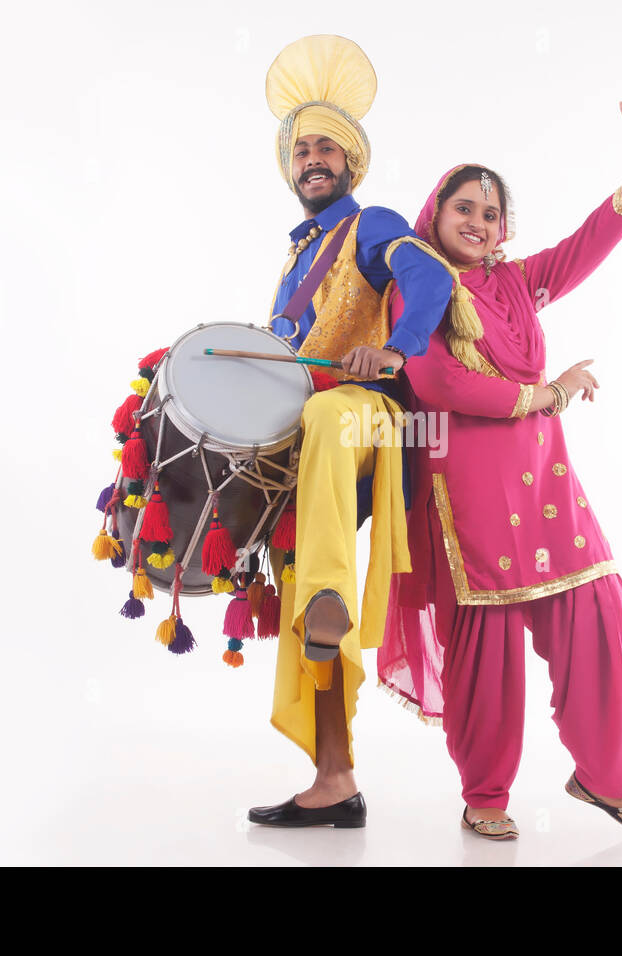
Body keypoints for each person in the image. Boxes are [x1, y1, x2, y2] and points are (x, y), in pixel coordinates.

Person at [378, 102, 622, 839]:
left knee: (606, 617)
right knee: (489, 646)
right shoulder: (419, 282)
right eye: (464, 207)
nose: (478, 221)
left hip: (545, 479)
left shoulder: (516, 284)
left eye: (492, 212)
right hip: (467, 482)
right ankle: (487, 793)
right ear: (435, 214)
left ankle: (599, 777)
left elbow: (586, 245)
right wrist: (546, 394)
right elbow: (436, 384)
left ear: (505, 227)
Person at [246, 35, 456, 828]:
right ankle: (334, 776)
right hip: (314, 445)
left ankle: (331, 592)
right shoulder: (290, 267)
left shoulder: (372, 222)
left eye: (327, 145)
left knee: (334, 411)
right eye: (301, 148)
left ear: (351, 162)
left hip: (372, 420)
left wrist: (394, 348)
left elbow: (427, 275)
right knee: (299, 572)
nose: (312, 158)